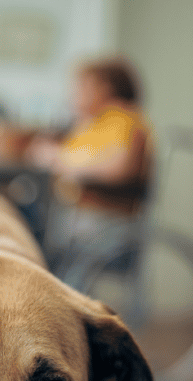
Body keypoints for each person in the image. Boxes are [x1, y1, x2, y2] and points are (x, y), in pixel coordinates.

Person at [29, 58, 154, 288]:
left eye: (80, 87)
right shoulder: (93, 123)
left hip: (103, 224)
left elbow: (117, 167)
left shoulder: (124, 120)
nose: (73, 95)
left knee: (28, 226)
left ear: (104, 88)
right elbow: (62, 155)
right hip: (75, 218)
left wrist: (63, 162)